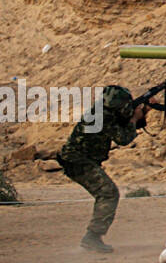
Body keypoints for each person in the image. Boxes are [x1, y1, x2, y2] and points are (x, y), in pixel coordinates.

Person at [57, 85, 147, 253]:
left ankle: (92, 238)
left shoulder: (102, 112)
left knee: (107, 193)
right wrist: (134, 119)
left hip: (78, 159)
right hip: (77, 160)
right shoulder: (102, 116)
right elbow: (124, 139)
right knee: (108, 193)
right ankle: (92, 238)